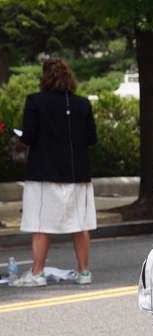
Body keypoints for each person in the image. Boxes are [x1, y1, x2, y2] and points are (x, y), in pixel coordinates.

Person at [13, 57, 98, 287]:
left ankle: (37, 273)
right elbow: (92, 138)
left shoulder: (35, 101)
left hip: (43, 172)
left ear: (45, 77)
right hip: (76, 173)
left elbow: (28, 136)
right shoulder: (82, 104)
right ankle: (83, 272)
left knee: (41, 225)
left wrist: (19, 143)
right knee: (80, 225)